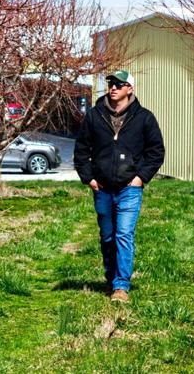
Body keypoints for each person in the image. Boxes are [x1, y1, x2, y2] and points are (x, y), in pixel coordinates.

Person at [73, 69, 165, 303]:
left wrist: (140, 178)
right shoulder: (94, 116)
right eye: (111, 83)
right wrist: (89, 178)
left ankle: (121, 286)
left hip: (129, 188)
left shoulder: (144, 118)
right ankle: (110, 277)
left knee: (124, 234)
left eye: (119, 84)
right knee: (107, 237)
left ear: (129, 89)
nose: (113, 88)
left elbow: (156, 152)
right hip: (102, 187)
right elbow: (81, 150)